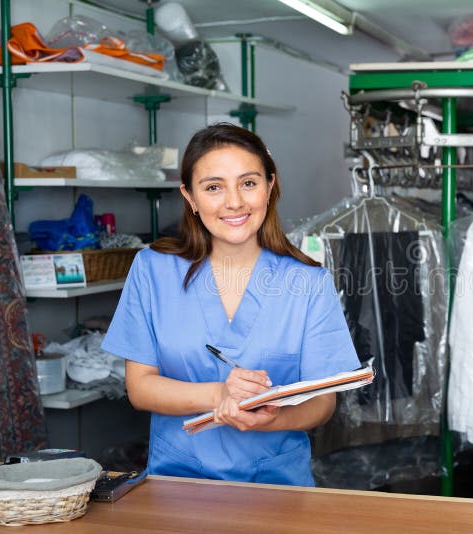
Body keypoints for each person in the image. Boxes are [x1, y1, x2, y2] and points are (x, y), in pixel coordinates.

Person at [100, 123, 359, 486]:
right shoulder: (152, 270)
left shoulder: (309, 283)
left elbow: (322, 403)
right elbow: (140, 387)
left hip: (278, 487)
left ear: (270, 186)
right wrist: (219, 393)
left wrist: (273, 419)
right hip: (178, 486)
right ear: (190, 197)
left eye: (248, 183)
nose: (234, 202)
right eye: (213, 187)